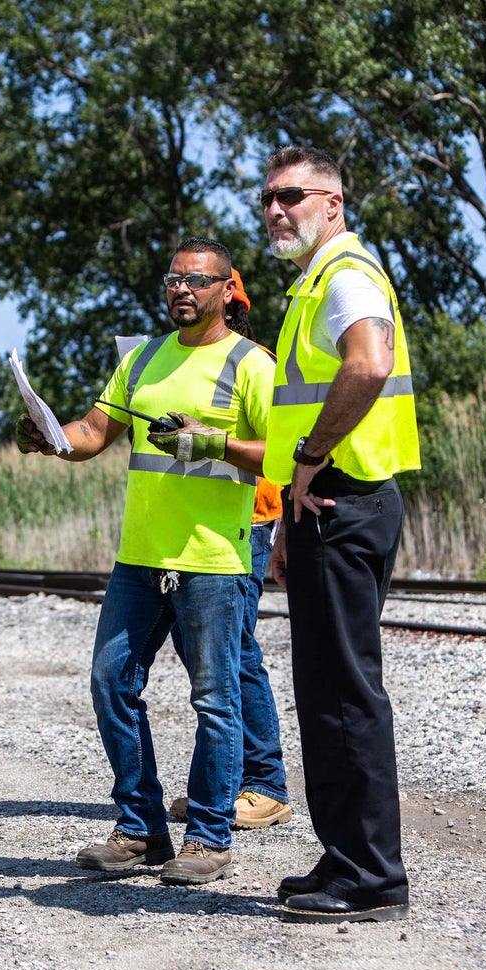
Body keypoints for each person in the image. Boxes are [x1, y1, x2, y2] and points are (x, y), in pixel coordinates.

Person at [16, 237, 273, 886]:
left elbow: (283, 454)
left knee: (216, 701)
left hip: (213, 561)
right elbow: (93, 432)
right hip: (140, 558)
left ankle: (209, 838)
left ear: (225, 289)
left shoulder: (252, 364)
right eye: (173, 280)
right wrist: (52, 441)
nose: (182, 289)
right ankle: (141, 831)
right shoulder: (142, 360)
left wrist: (208, 442)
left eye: (197, 280)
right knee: (111, 683)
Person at [258, 146, 420, 924]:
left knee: (346, 692)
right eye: (268, 198)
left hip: (345, 498)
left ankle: (372, 877)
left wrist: (311, 460)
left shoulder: (345, 274)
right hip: (321, 505)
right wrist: (290, 513)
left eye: (291, 195)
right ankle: (343, 853)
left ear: (333, 203)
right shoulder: (314, 282)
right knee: (322, 691)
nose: (276, 210)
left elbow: (369, 365)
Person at [167, 269, 293, 831]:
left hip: (254, 517)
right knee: (217, 653)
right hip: (219, 523)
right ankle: (227, 782)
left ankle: (264, 784)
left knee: (236, 651)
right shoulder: (192, 358)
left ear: (230, 302)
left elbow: (280, 449)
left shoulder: (251, 361)